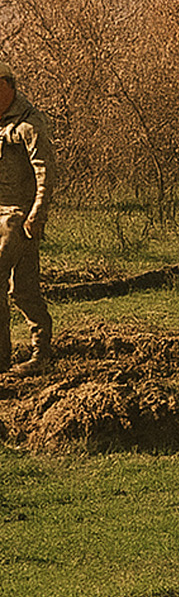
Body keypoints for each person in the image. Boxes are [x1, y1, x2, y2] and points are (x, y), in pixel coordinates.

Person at [0, 61, 52, 374]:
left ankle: (2, 361)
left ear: (6, 85)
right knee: (24, 288)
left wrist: (37, 214)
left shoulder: (30, 123)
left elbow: (45, 171)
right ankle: (41, 353)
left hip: (18, 216)